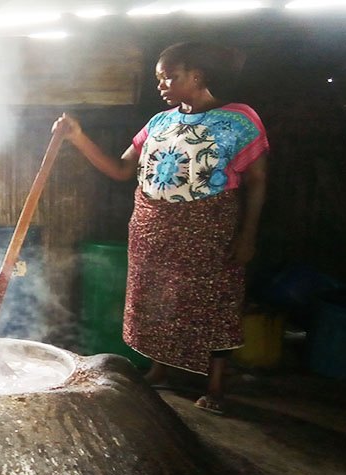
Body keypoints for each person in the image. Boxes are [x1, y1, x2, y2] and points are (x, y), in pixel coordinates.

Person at [54, 41, 269, 415]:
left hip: (208, 231)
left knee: (214, 302)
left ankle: (216, 385)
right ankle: (158, 370)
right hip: (153, 230)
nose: (161, 85)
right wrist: (78, 137)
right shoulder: (159, 123)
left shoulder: (239, 120)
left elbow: (258, 180)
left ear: (196, 76)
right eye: (159, 78)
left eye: (169, 76)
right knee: (159, 301)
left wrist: (248, 235)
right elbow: (121, 170)